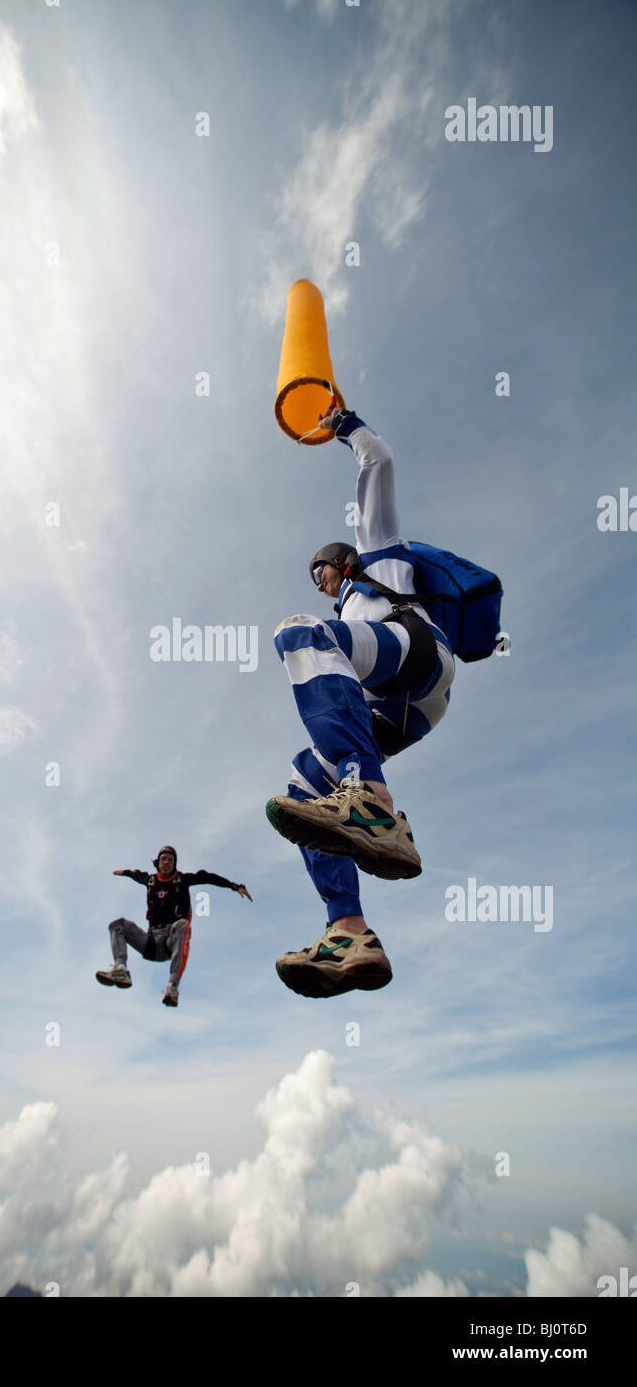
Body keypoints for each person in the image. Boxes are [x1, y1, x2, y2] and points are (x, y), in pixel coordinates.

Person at [267, 402, 455, 999]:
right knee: (303, 788)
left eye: (317, 570)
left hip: (417, 654)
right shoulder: (347, 609)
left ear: (337, 561)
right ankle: (348, 932)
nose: (318, 581)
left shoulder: (377, 555)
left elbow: (380, 459)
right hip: (404, 708)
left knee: (302, 630)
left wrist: (343, 425)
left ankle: (371, 803)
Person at [97, 847, 252, 1006]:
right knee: (118, 925)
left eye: (170, 860)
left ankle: (172, 987)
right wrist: (124, 872)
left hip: (169, 944)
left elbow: (206, 877)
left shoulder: (182, 880)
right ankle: (121, 969)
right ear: (158, 863)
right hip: (150, 943)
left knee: (183, 925)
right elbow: (136, 874)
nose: (166, 862)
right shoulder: (150, 880)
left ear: (174, 864)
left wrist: (235, 886)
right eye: (163, 859)